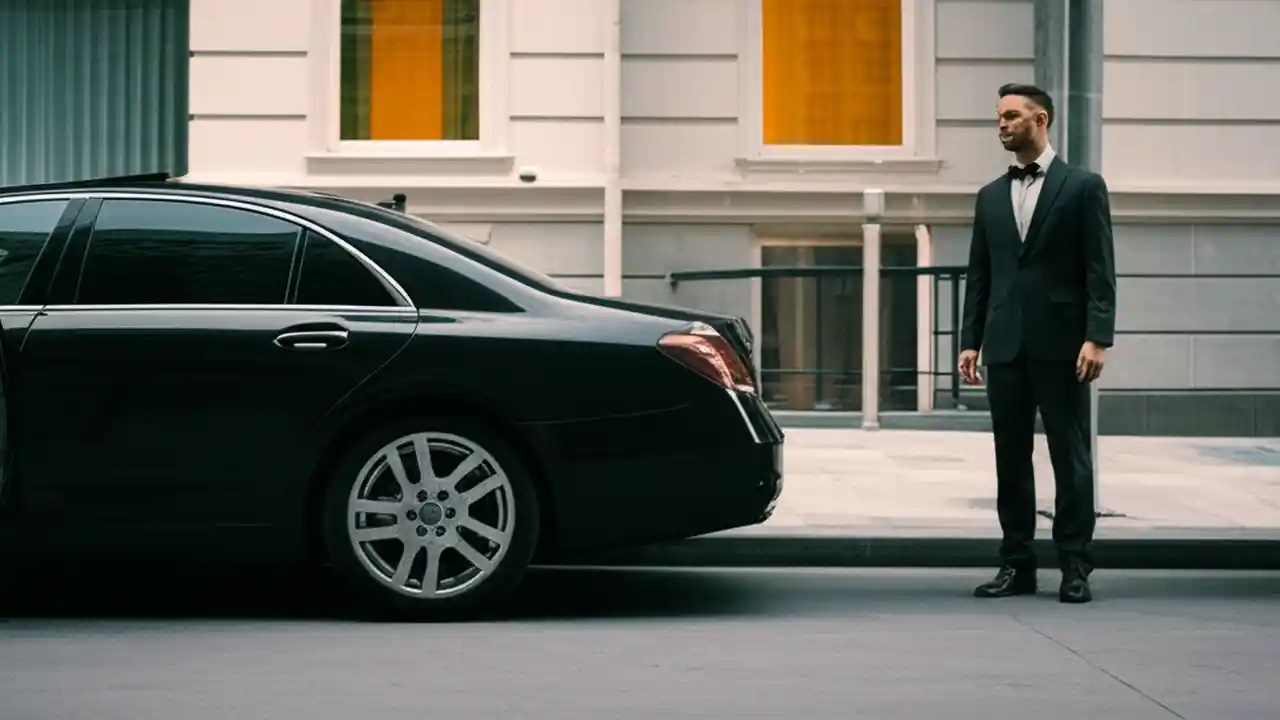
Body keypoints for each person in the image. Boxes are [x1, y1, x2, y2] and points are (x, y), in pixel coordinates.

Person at [958, 83, 1116, 604]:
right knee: (1011, 457)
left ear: (1039, 119)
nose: (1000, 125)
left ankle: (1075, 566)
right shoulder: (988, 196)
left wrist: (1097, 337)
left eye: (1010, 116)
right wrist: (970, 341)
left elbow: (1100, 269)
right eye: (998, 118)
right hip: (1004, 346)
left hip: (1064, 346)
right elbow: (979, 274)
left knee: (1069, 456)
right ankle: (1016, 563)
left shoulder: (1083, 186)